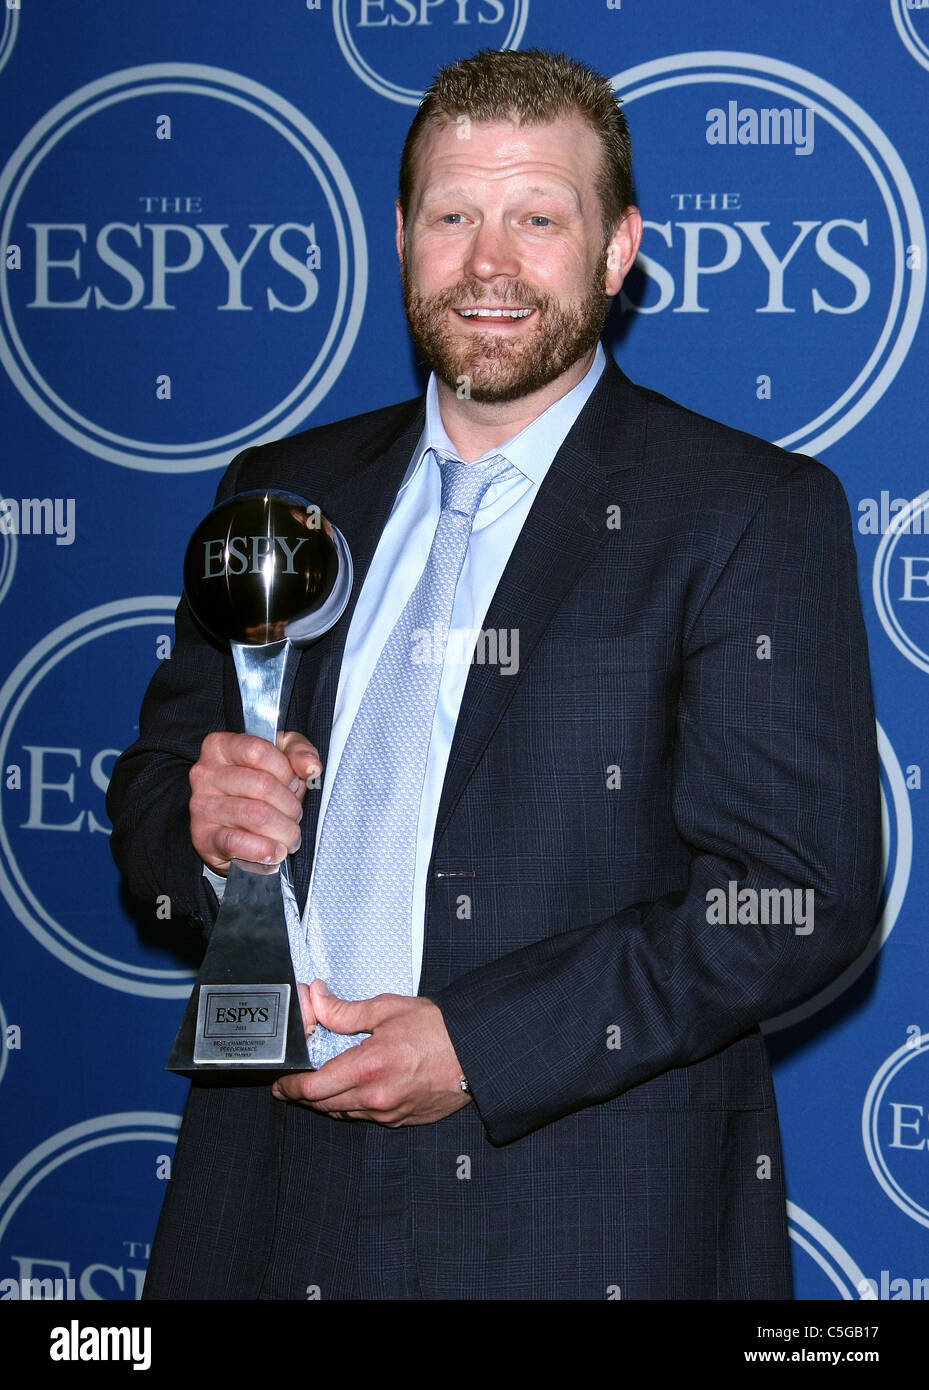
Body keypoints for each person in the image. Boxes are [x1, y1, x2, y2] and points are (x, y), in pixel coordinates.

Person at [108, 47, 881, 1300]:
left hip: (574, 1222)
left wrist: (478, 1044)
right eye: (453, 216)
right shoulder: (280, 490)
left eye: (538, 218)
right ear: (400, 234)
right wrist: (199, 830)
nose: (489, 265)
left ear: (618, 247)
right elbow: (150, 796)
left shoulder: (744, 511)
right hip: (262, 1206)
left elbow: (797, 897)